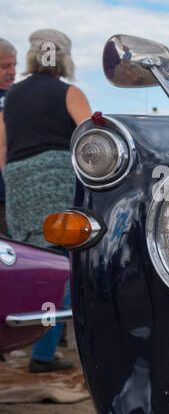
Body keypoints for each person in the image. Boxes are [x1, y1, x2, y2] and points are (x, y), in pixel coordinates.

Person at [0, 29, 92, 372]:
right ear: (64, 58)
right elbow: (93, 136)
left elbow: (2, 149)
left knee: (30, 265)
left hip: (18, 179)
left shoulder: (12, 97)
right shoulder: (70, 92)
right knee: (60, 268)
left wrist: (14, 179)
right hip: (56, 175)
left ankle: (23, 343)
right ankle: (43, 355)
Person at [0, 37, 16, 236]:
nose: (12, 72)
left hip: (15, 192)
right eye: (5, 66)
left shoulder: (19, 95)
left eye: (14, 65)